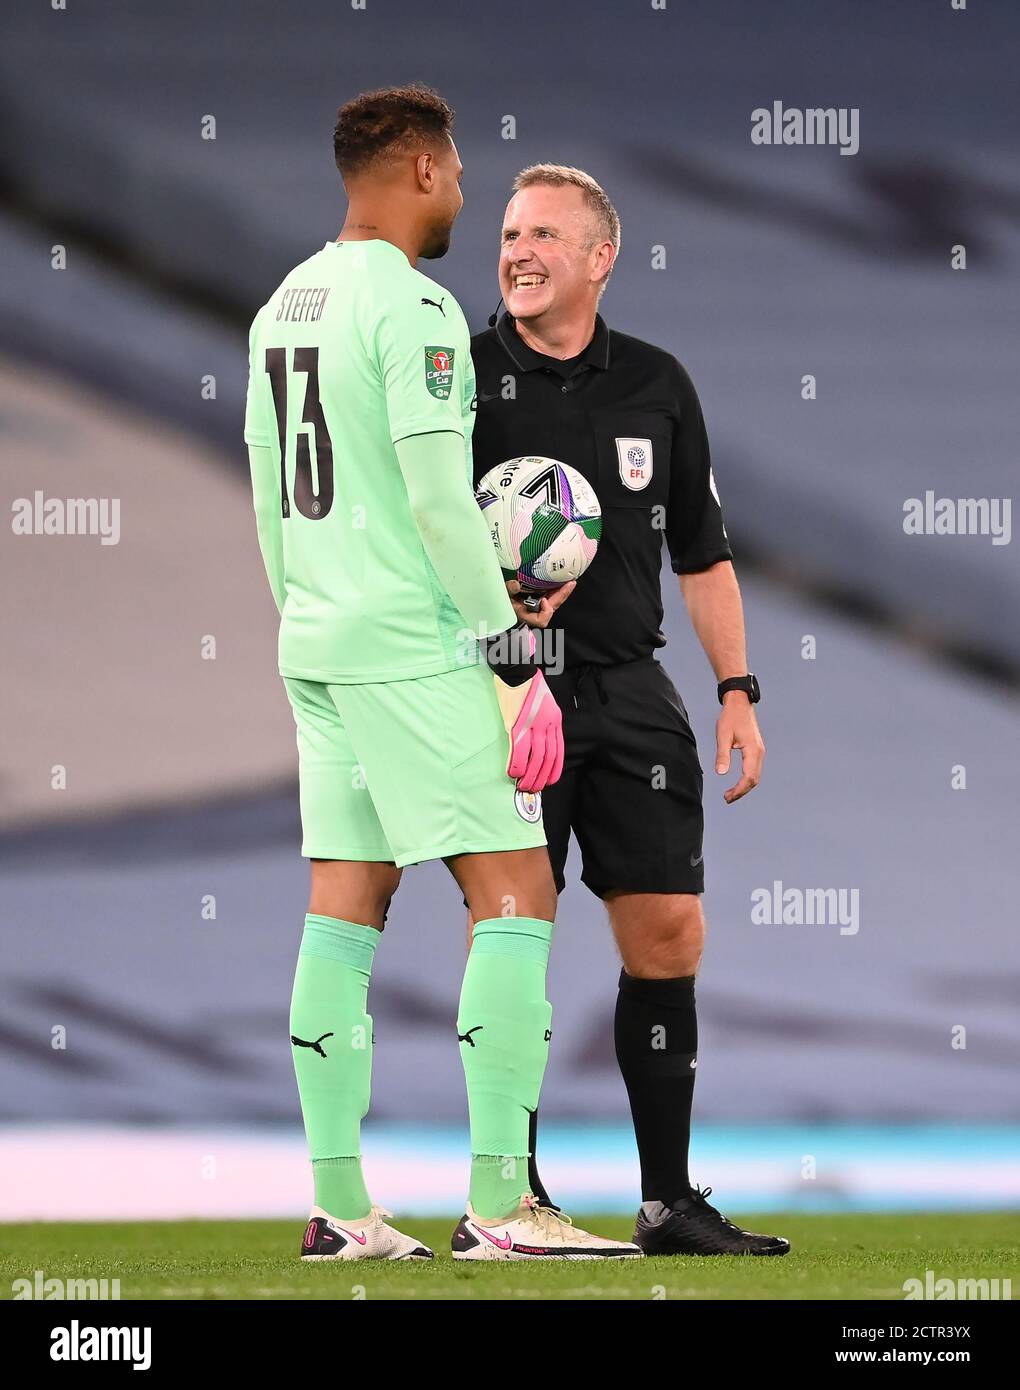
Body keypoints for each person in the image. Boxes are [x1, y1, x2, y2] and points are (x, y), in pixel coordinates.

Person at [245, 90, 638, 1262]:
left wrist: (310, 615)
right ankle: (504, 1204)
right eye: (460, 169)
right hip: (410, 645)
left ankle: (340, 1209)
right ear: (417, 167)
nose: (469, 191)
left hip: (315, 638)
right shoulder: (413, 310)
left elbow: (271, 497)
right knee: (516, 887)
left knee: (344, 905)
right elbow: (435, 500)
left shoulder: (281, 308)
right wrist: (518, 662)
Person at [470, 164, 789, 1256]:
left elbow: (702, 556)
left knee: (668, 930)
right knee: (511, 934)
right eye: (509, 231)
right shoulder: (458, 379)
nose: (516, 250)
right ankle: (512, 1196)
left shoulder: (656, 381)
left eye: (544, 234)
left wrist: (737, 689)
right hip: (506, 682)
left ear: (601, 259)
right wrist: (503, 660)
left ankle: (666, 1202)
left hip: (626, 687)